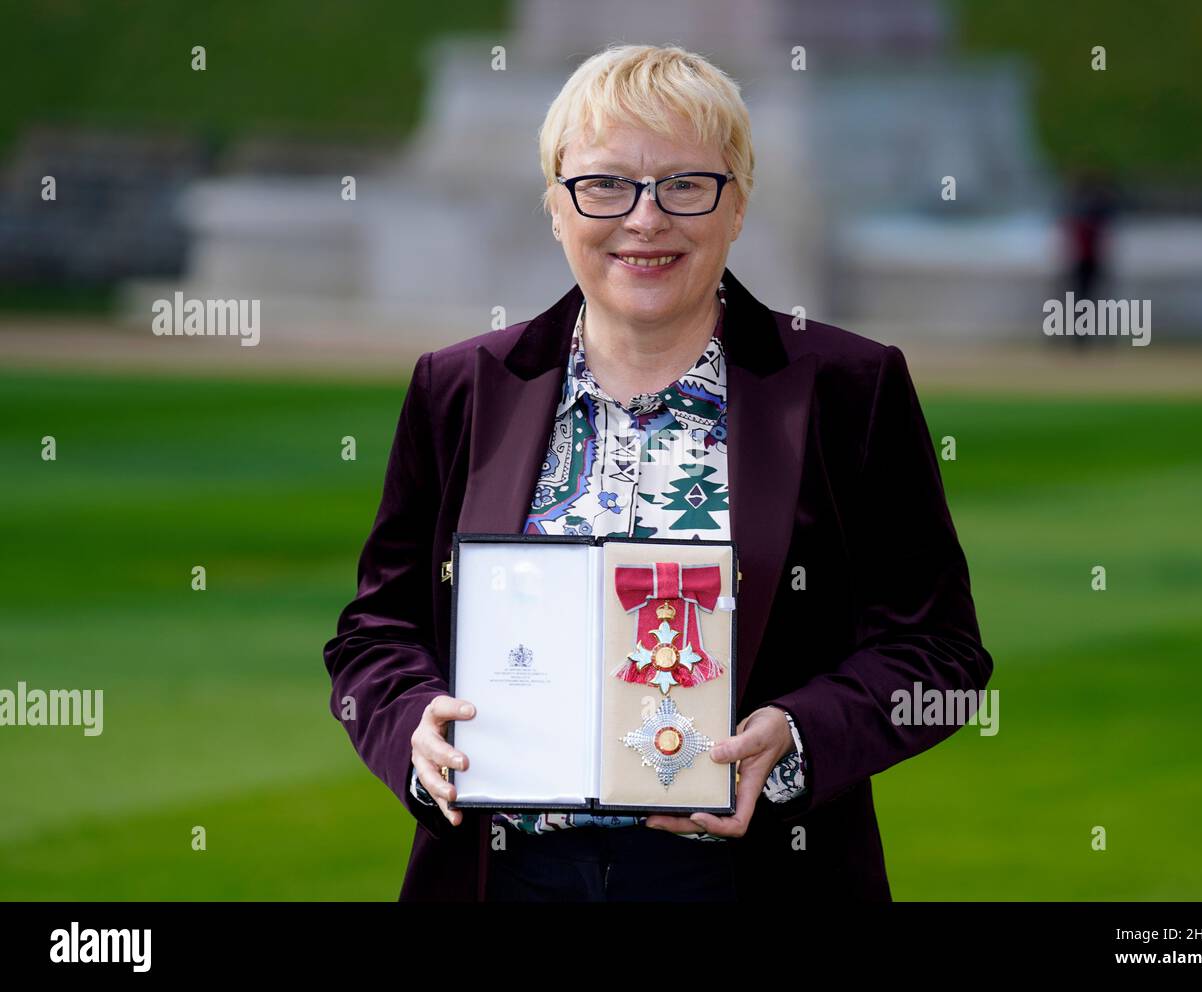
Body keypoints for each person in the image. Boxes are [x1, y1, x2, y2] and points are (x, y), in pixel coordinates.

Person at [323, 43, 994, 902]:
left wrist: (797, 737)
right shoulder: (460, 387)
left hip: (757, 880)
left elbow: (939, 650)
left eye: (686, 184)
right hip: (503, 877)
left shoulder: (847, 389)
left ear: (739, 204)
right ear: (555, 207)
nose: (645, 220)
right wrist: (412, 727)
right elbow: (376, 631)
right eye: (604, 185)